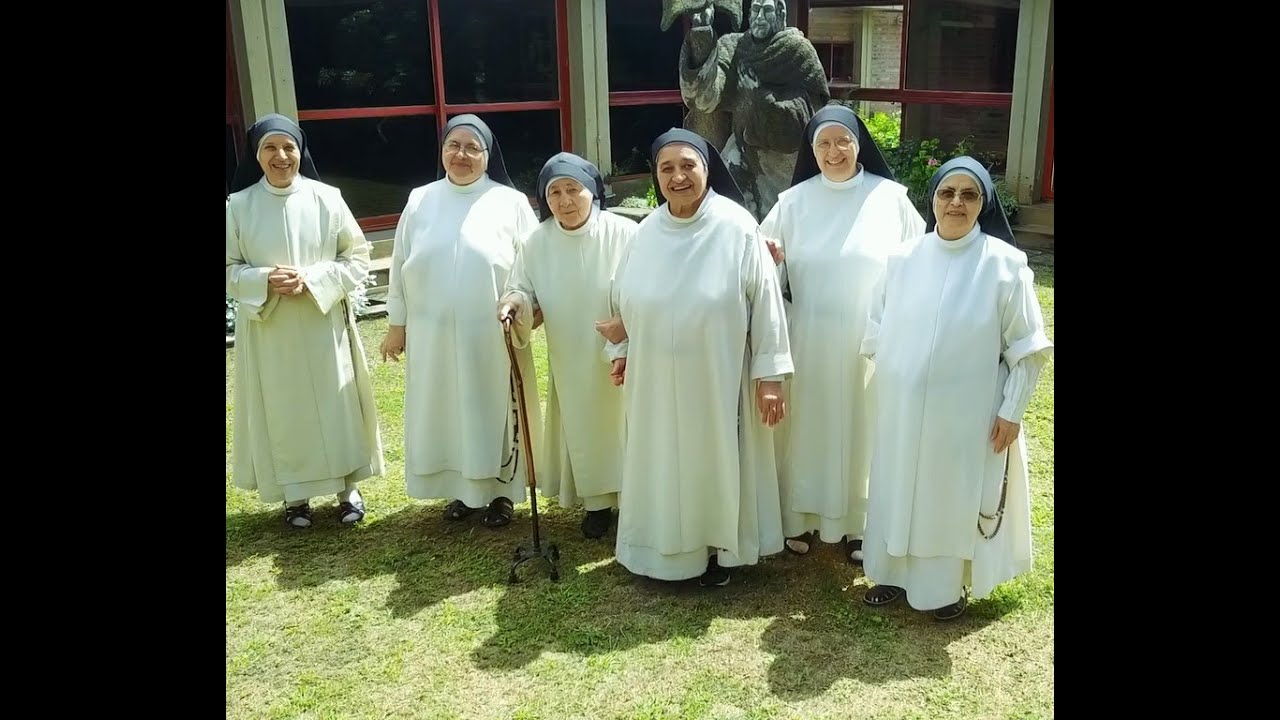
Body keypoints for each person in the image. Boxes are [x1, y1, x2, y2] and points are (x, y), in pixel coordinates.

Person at [859, 157, 1052, 621]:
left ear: (983, 204)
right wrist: (901, 375)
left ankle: (943, 588)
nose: (956, 203)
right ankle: (891, 573)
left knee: (947, 497)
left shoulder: (1006, 265)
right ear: (933, 200)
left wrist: (1011, 410)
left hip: (968, 416)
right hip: (903, 412)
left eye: (969, 195)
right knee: (897, 486)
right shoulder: (903, 258)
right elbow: (875, 327)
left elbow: (1027, 348)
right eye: (947, 193)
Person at [605, 128, 793, 586]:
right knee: (659, 458)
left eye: (688, 165)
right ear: (656, 176)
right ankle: (661, 550)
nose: (678, 176)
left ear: (707, 170)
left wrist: (770, 378)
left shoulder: (736, 227)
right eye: (666, 168)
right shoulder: (646, 231)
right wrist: (623, 349)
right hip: (654, 380)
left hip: (716, 376)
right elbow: (625, 301)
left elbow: (766, 301)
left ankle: (714, 552)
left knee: (713, 459)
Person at [759, 104, 925, 564]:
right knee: (806, 429)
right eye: (823, 144)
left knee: (865, 426)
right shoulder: (791, 202)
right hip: (808, 337)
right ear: (812, 152)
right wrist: (769, 257)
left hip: (871, 341)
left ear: (859, 144)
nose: (834, 152)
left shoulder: (891, 198)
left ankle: (861, 522)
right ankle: (801, 517)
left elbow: (919, 265)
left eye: (842, 141)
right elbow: (757, 265)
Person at [380, 114, 541, 529]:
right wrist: (397, 325)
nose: (462, 155)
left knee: (491, 409)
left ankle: (502, 493)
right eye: (454, 145)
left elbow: (531, 267)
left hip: (489, 335)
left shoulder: (511, 202)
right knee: (447, 410)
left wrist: (526, 310)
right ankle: (463, 491)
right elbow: (400, 265)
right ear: (442, 151)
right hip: (432, 334)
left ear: (488, 156)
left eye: (473, 147)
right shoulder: (420, 199)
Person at [226, 113, 384, 528]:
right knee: (284, 408)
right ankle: (294, 497)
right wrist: (263, 279)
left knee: (335, 403)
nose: (281, 156)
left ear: (301, 150)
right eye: (270, 148)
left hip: (322, 323)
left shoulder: (327, 198)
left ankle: (348, 489)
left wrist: (312, 279)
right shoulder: (238, 206)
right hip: (269, 330)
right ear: (256, 156)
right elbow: (228, 268)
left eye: (288, 147)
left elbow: (358, 256)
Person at [497, 153, 636, 539]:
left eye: (573, 189)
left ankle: (633, 501)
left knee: (628, 422)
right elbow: (520, 288)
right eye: (554, 192)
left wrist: (627, 325)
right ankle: (596, 504)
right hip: (570, 354)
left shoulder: (625, 233)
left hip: (624, 349)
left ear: (592, 191)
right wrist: (513, 303)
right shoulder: (535, 242)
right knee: (584, 424)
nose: (565, 200)